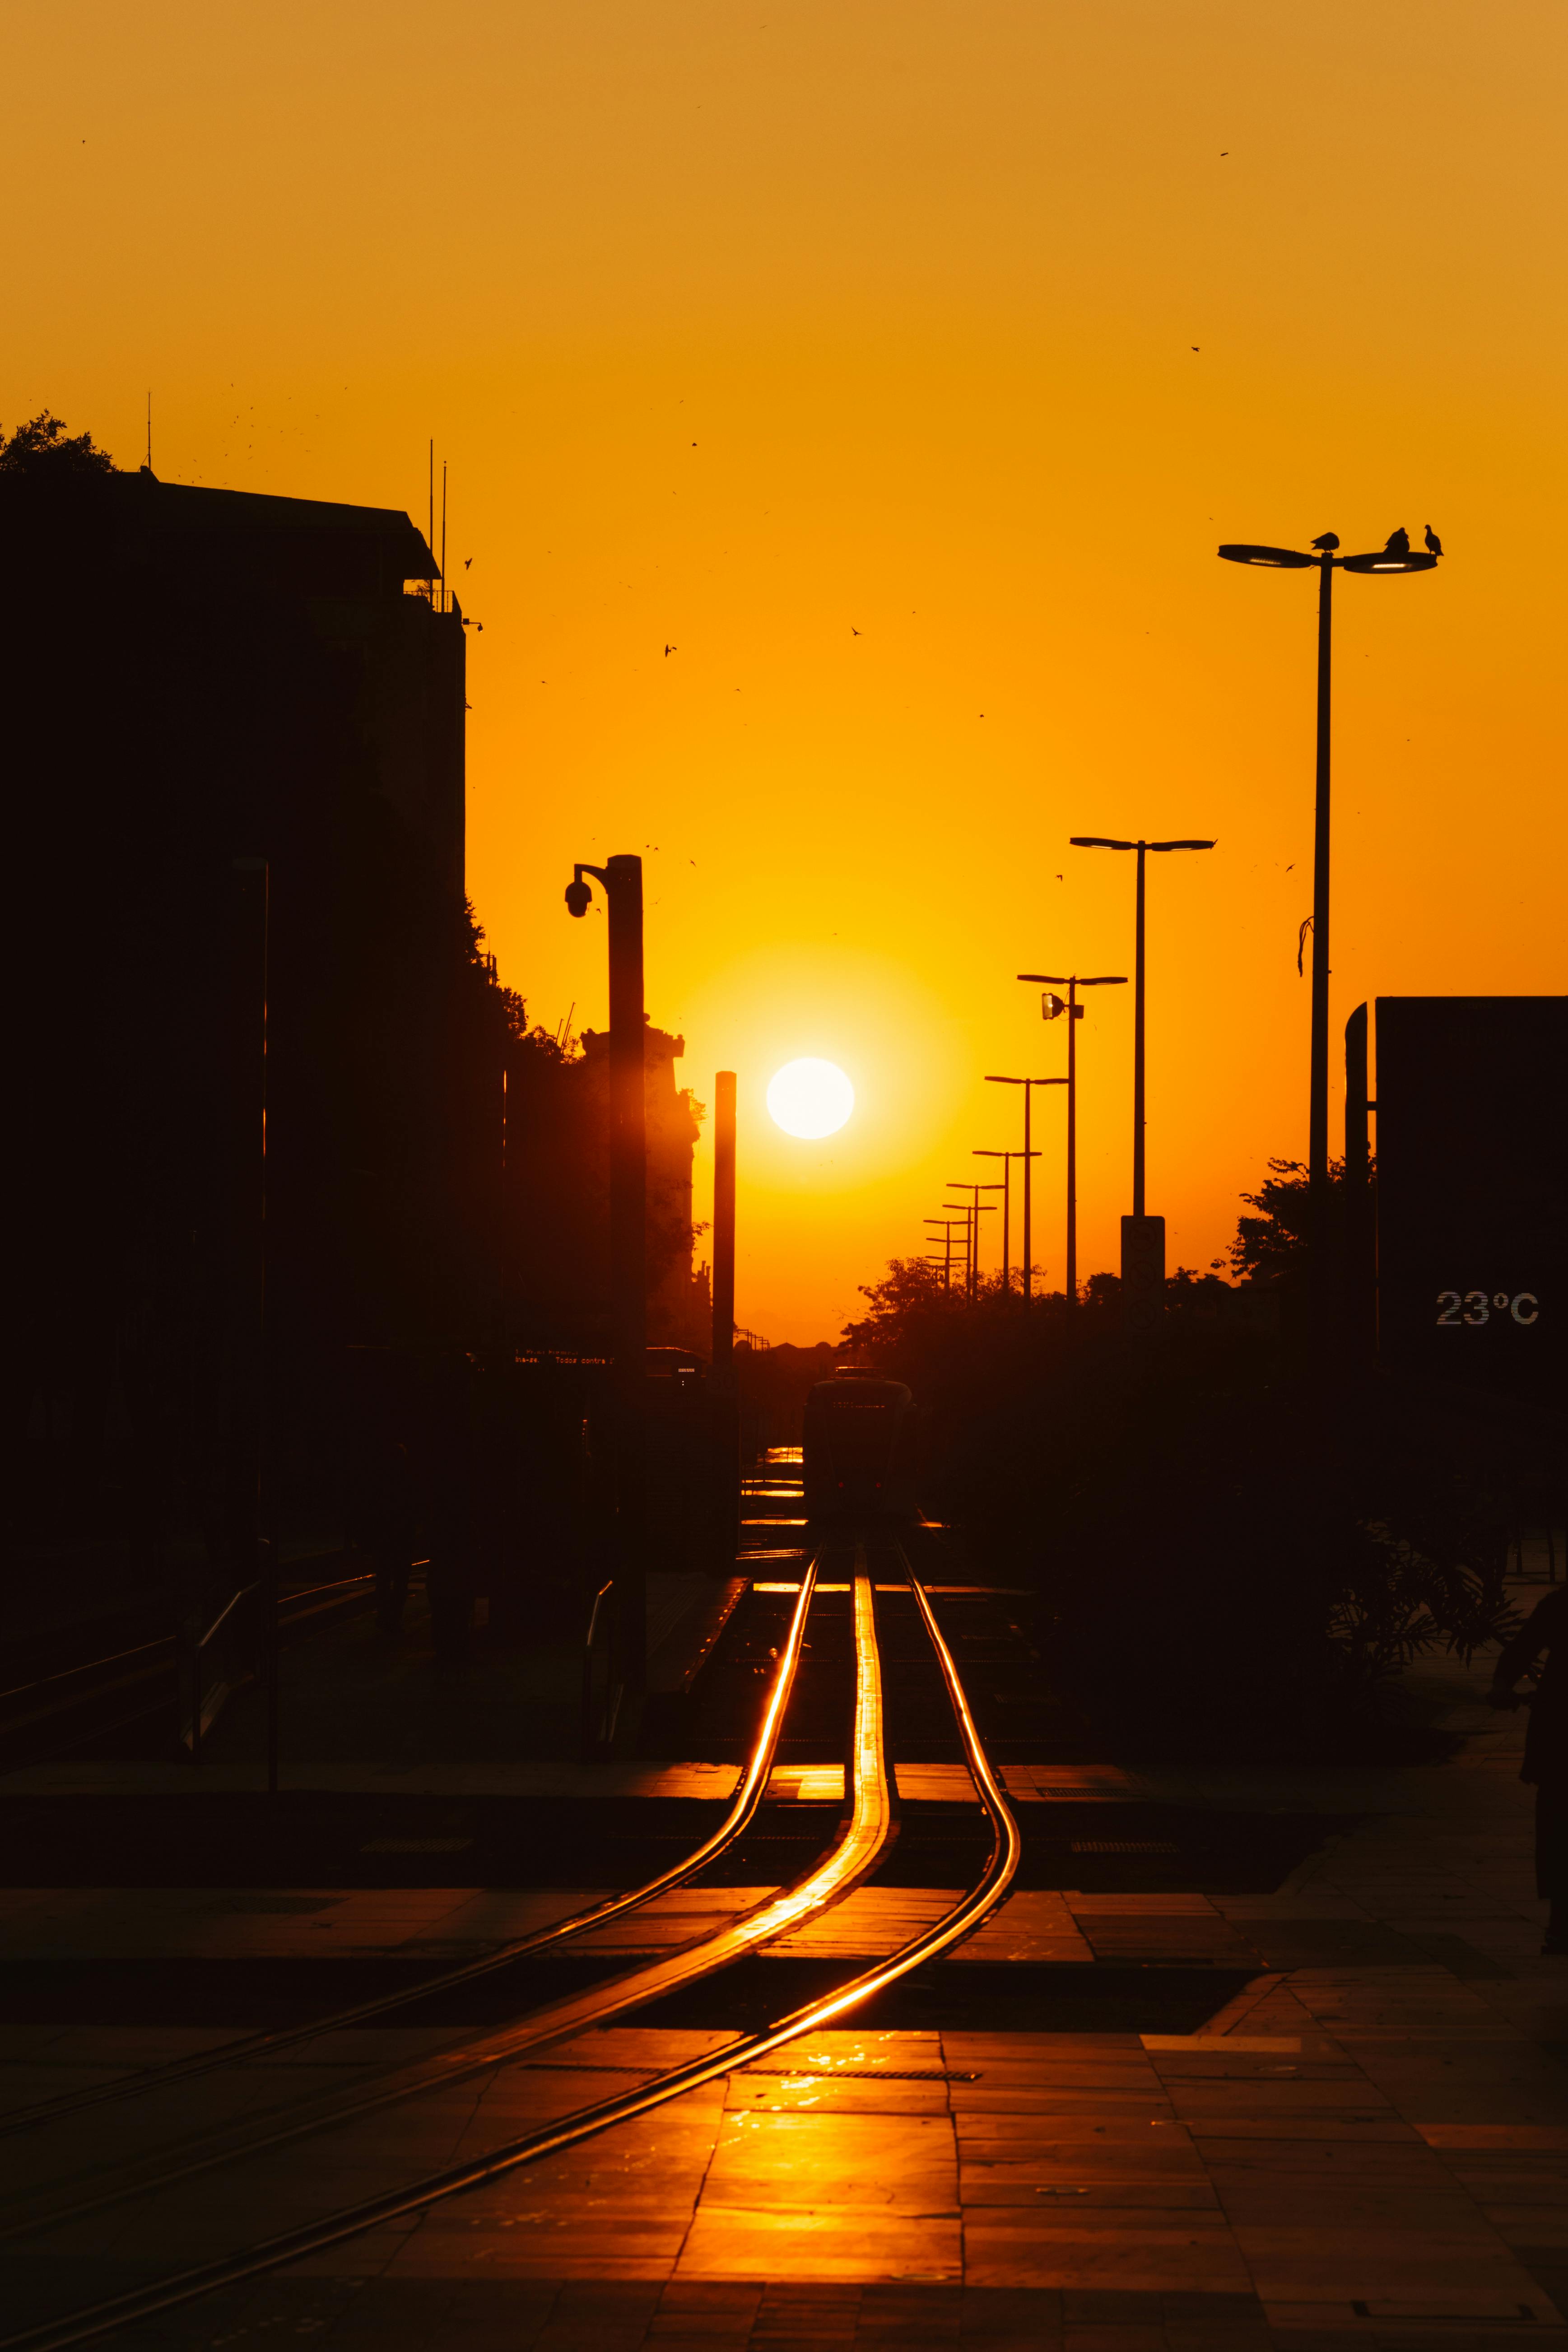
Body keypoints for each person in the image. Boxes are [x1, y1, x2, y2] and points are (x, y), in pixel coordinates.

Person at [1490, 1586, 1568, 1954]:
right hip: (1557, 1723)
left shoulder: (1560, 1602)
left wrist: (1502, 1686)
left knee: (1556, 1820)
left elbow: (1522, 1649)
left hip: (1558, 1724)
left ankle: (1560, 1919)